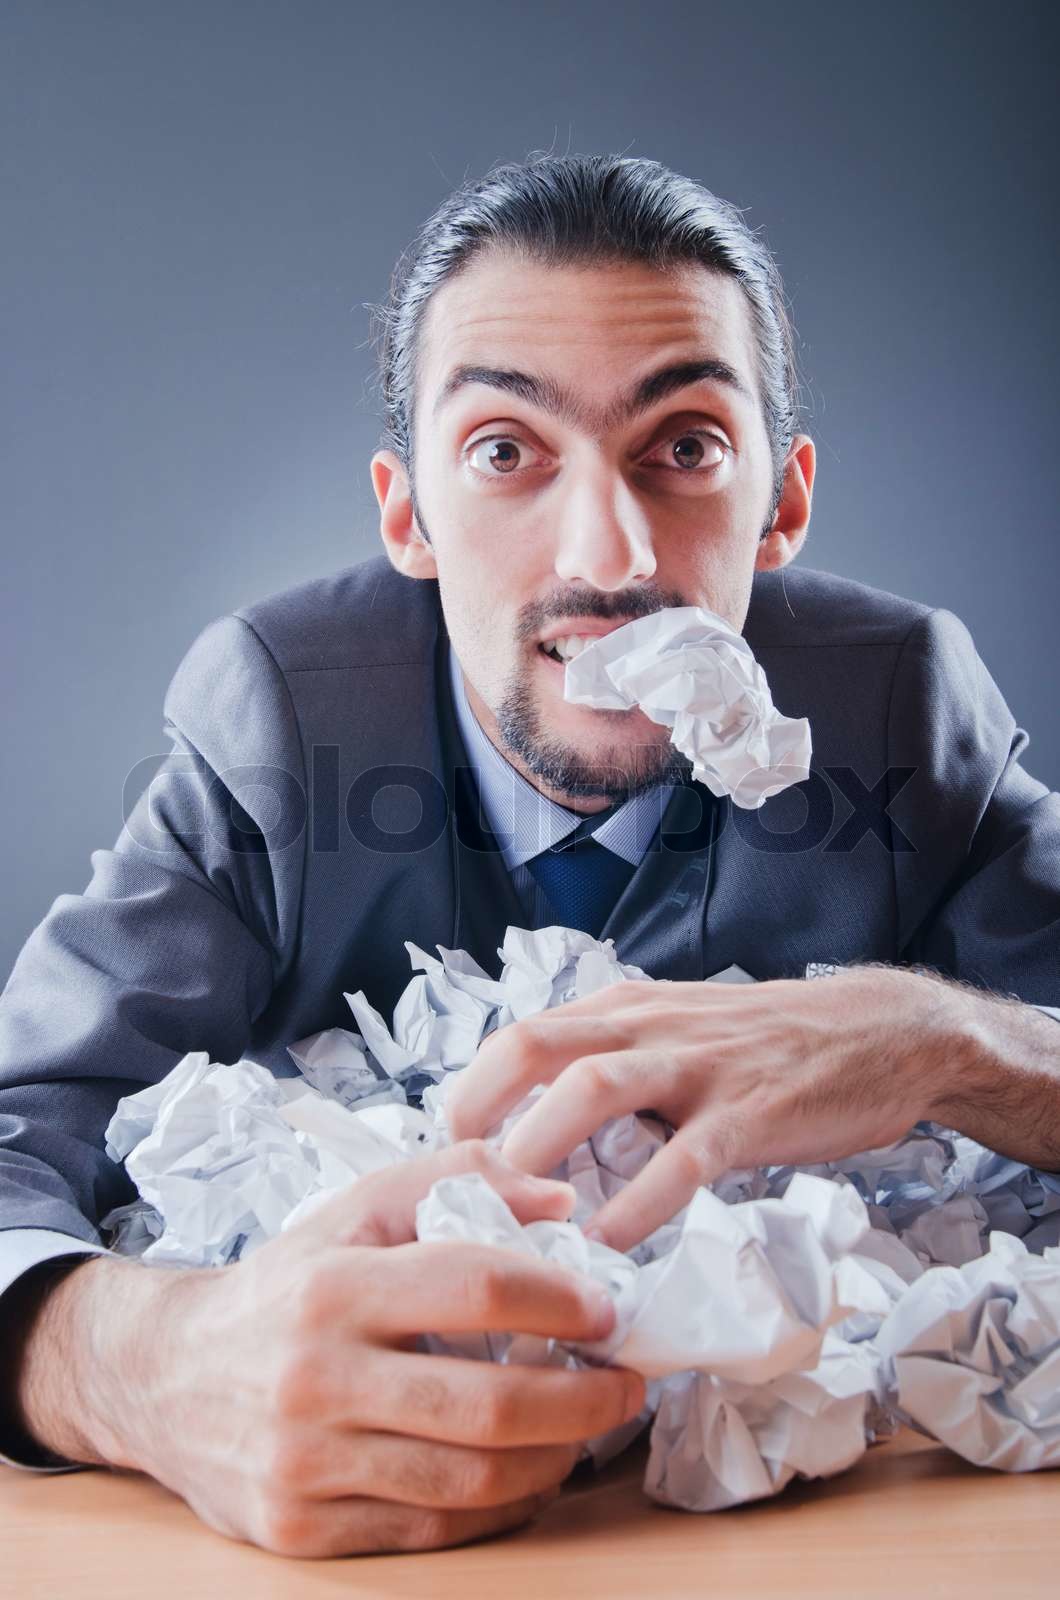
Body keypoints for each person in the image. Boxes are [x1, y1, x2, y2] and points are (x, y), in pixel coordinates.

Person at [1, 153, 1058, 1559]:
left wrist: (939, 1042)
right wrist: (133, 1367)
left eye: (686, 447)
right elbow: (22, 1119)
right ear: (409, 516)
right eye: (506, 451)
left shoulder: (903, 708)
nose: (607, 555)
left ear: (784, 503)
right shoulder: (276, 723)